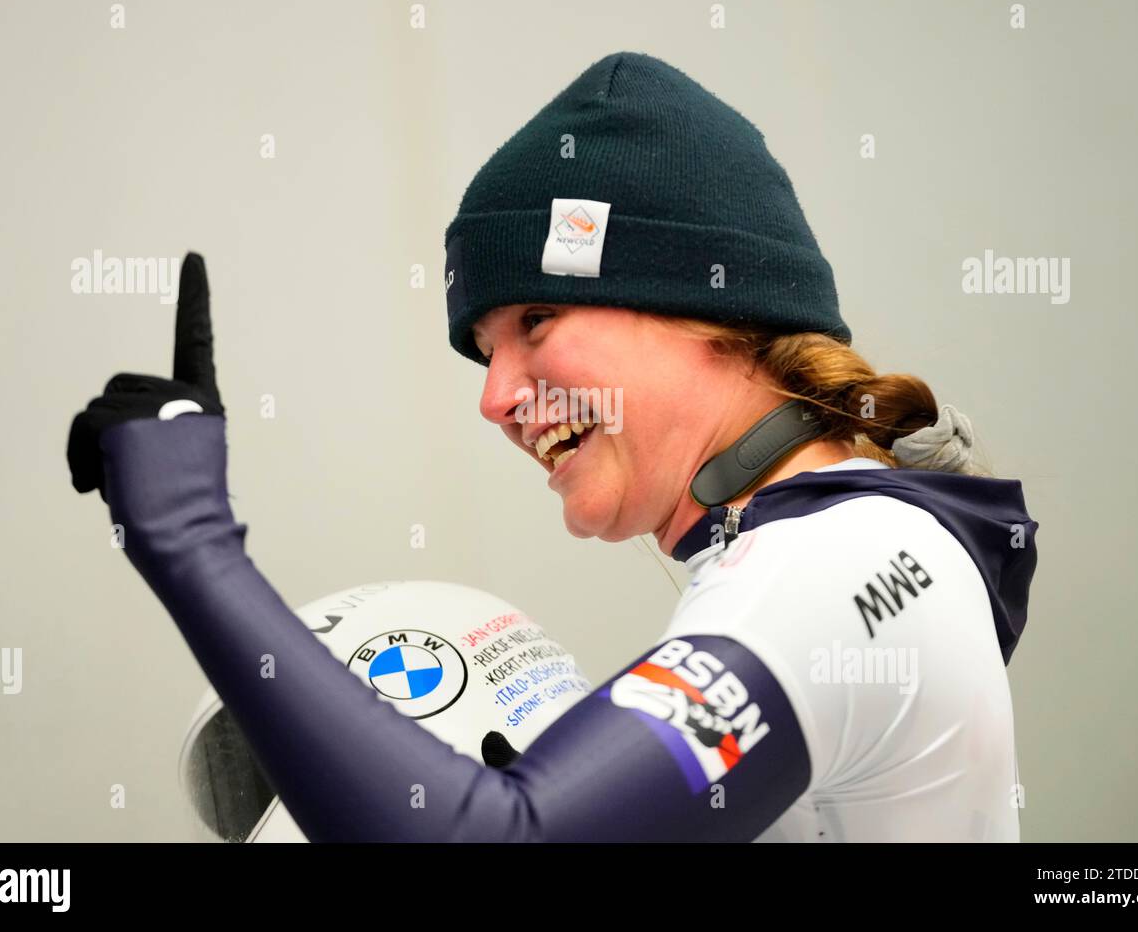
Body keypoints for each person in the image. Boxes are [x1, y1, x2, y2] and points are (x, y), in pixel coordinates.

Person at [67, 51, 1038, 841]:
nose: (494, 398)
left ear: (715, 309)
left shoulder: (834, 562)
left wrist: (190, 537)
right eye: (485, 352)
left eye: (537, 317)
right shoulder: (826, 543)